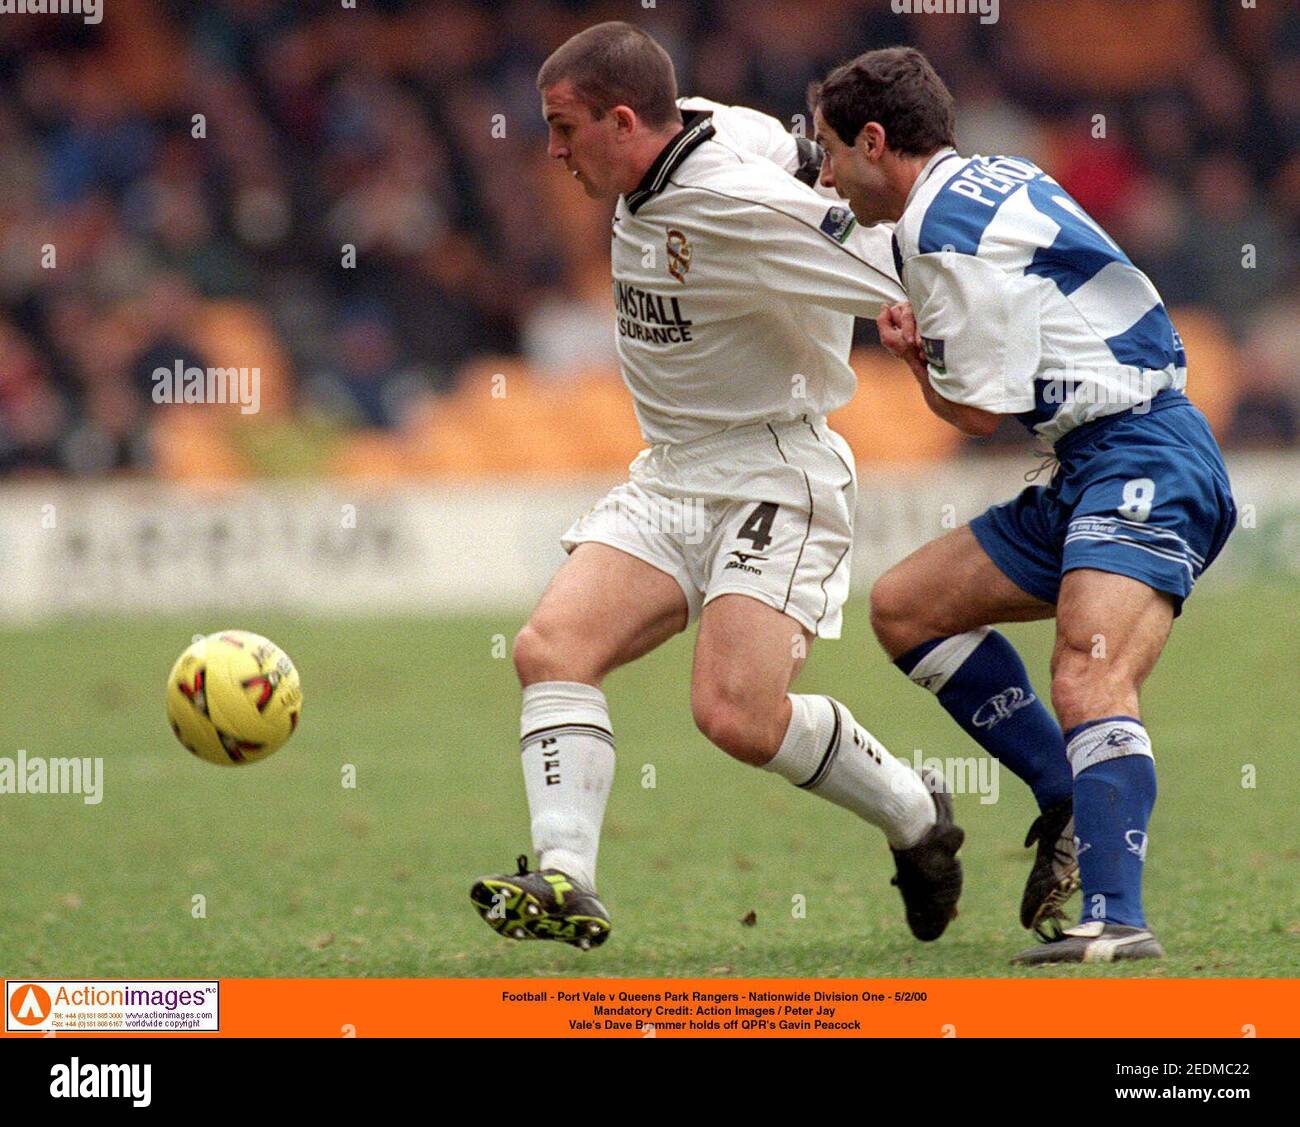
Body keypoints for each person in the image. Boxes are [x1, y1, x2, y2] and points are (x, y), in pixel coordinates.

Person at [469, 22, 966, 951]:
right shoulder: (705, 127)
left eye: (563, 128)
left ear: (622, 123)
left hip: (776, 469)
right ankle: (565, 878)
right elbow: (799, 152)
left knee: (735, 714)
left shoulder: (729, 204)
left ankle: (915, 814)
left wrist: (923, 308)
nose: (553, 151)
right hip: (671, 473)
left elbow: (886, 259)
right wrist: (818, 162)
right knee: (549, 649)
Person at [811, 47, 1237, 963]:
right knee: (905, 607)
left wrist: (914, 360)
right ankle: (1065, 794)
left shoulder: (938, 233)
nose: (827, 173)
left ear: (874, 141)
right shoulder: (989, 177)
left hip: (1144, 451)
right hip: (1090, 457)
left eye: (830, 151)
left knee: (1088, 673)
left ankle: (1119, 919)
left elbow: (975, 413)